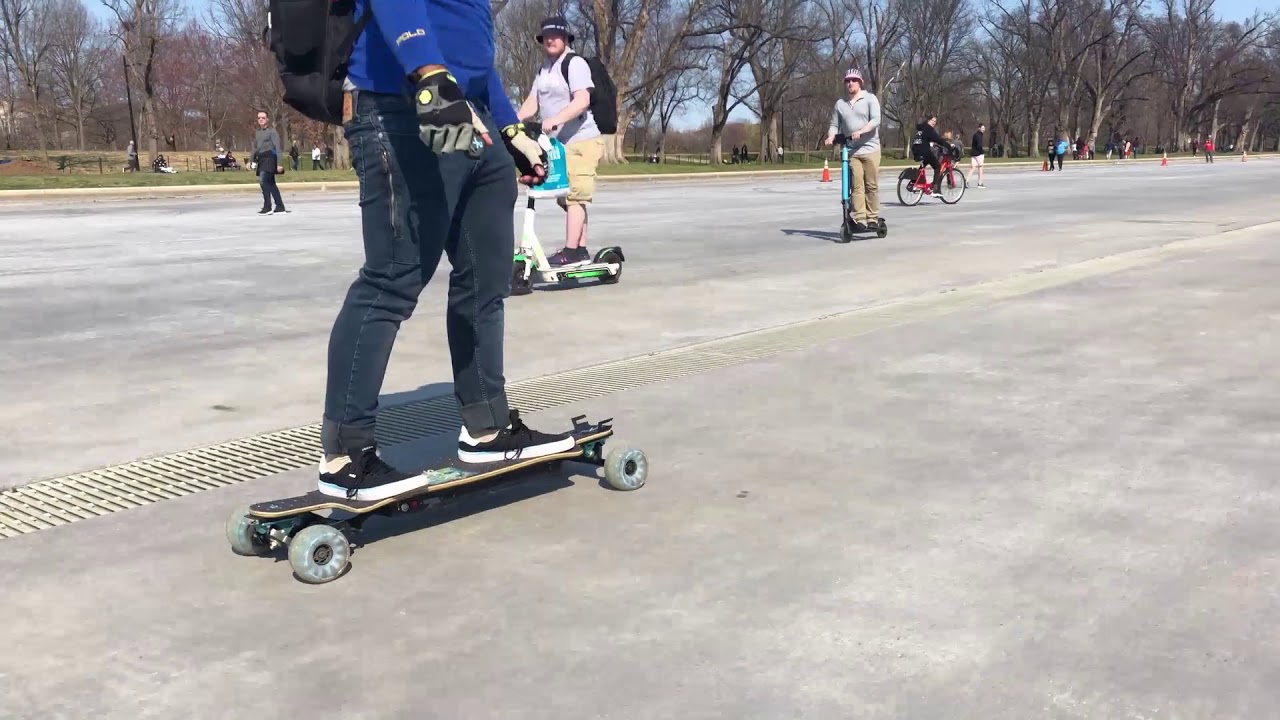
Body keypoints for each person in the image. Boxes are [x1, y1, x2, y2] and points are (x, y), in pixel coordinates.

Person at [316, 0, 574, 502]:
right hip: (401, 102)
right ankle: (345, 455)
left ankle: (486, 428)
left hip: (468, 112)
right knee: (394, 276)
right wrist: (430, 72)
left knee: (486, 276)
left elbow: (470, 51)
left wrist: (509, 127)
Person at [516, 16, 604, 267]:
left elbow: (582, 100)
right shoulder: (544, 69)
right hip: (558, 146)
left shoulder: (574, 64)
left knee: (575, 196)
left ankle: (571, 251)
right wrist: (512, 122)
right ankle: (581, 250)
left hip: (582, 140)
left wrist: (555, 119)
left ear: (565, 38)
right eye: (546, 36)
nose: (550, 40)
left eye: (555, 36)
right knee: (565, 198)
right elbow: (532, 103)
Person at [824, 68, 881, 230]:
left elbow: (876, 119)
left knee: (871, 185)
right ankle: (860, 219)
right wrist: (831, 136)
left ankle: (872, 218)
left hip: (870, 148)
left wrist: (862, 131)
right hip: (852, 150)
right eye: (848, 81)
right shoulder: (840, 104)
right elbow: (834, 124)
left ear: (860, 82)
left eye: (854, 80)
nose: (850, 83)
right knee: (856, 185)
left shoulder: (869, 98)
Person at [253, 111, 288, 214]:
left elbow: (278, 148)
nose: (261, 119)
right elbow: (255, 148)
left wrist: (279, 163)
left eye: (263, 118)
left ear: (267, 119)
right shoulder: (257, 132)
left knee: (263, 180)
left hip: (270, 158)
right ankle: (280, 206)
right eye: (259, 118)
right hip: (261, 159)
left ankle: (267, 206)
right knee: (271, 183)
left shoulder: (272, 132)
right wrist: (251, 160)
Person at [909, 114, 945, 194]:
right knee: (937, 166)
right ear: (928, 120)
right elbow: (937, 139)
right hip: (923, 150)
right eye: (933, 121)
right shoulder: (929, 129)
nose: (934, 123)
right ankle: (935, 189)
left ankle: (915, 182)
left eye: (935, 121)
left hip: (915, 149)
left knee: (924, 164)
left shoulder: (921, 128)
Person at [970, 123, 986, 188]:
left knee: (973, 168)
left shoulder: (975, 135)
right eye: (982, 128)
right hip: (978, 154)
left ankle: (966, 181)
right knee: (980, 168)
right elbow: (979, 145)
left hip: (973, 154)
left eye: (984, 128)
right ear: (979, 128)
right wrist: (982, 152)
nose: (983, 129)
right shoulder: (979, 135)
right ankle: (980, 183)